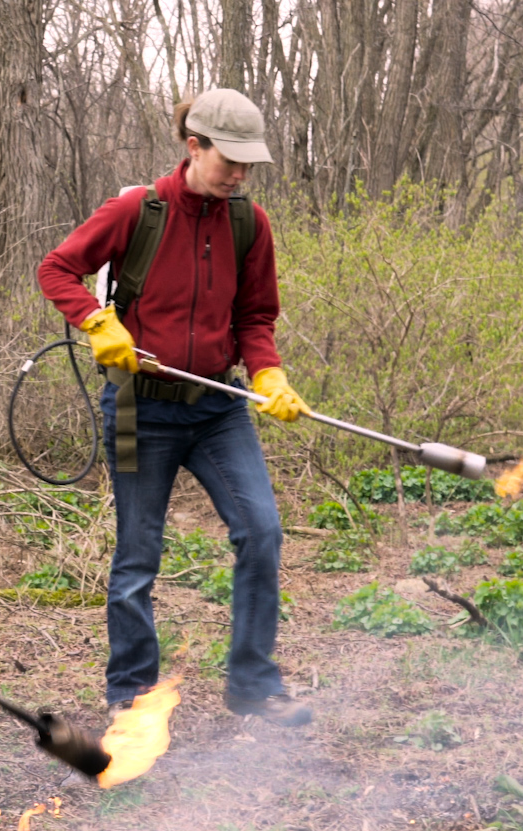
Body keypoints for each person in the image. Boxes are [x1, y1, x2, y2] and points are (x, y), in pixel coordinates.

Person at [36, 88, 315, 727]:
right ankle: (132, 696)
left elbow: (255, 315)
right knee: (138, 554)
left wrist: (267, 372)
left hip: (219, 409)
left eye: (250, 162)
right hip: (139, 412)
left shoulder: (250, 224)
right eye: (230, 160)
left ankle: (253, 683)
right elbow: (57, 269)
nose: (240, 173)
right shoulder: (139, 210)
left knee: (263, 531)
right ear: (195, 146)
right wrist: (95, 321)